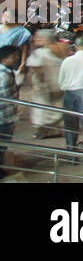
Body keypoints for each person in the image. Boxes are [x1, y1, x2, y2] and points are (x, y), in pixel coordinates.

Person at [58, 35, 83, 153]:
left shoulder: (67, 61)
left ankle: (72, 153)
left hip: (70, 94)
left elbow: (61, 81)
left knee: (70, 125)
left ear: (75, 47)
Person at [0, 45, 23, 179]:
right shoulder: (2, 75)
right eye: (13, 57)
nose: (16, 59)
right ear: (4, 59)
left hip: (8, 115)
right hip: (4, 117)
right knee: (2, 144)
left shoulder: (6, 71)